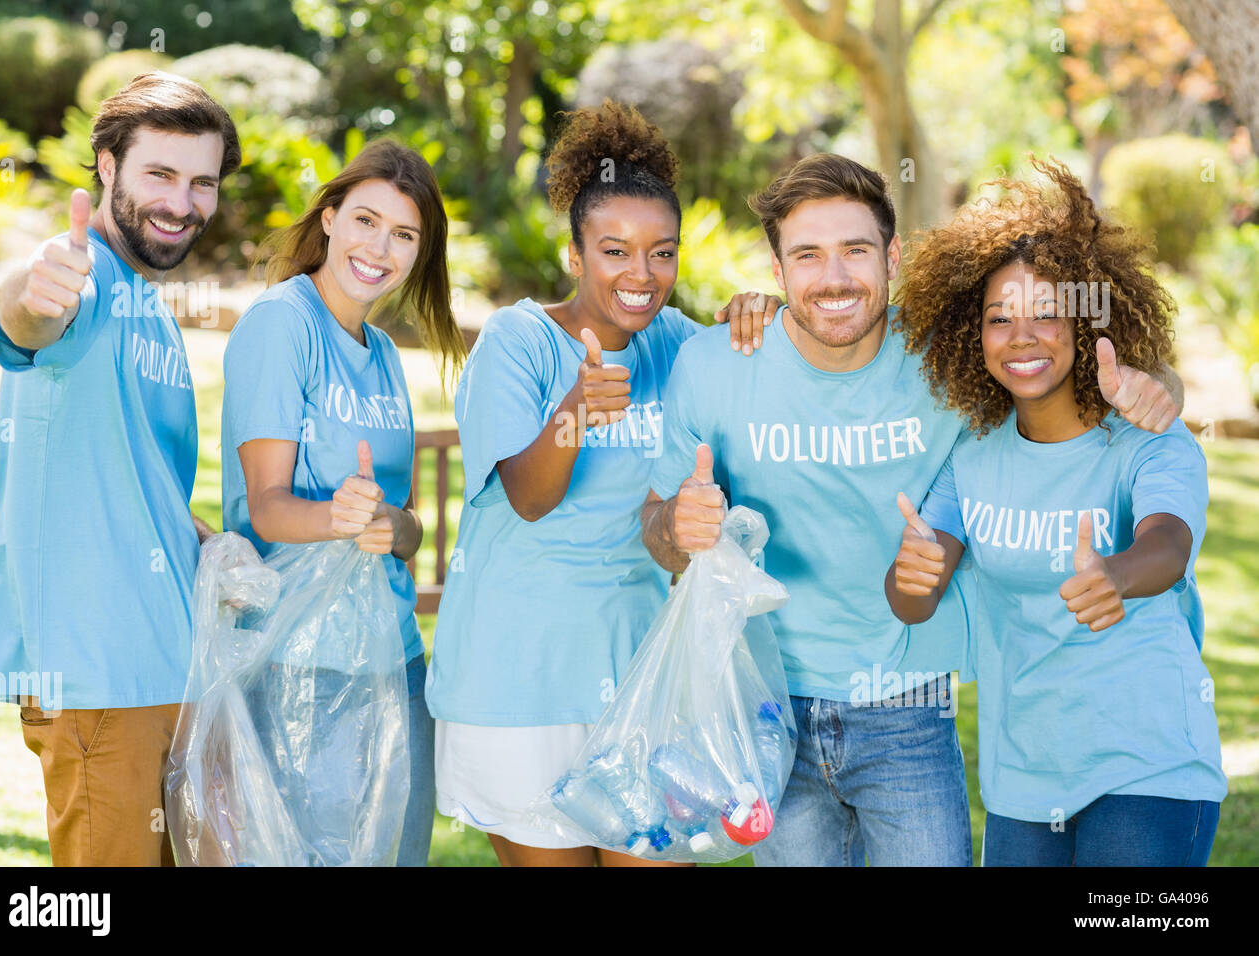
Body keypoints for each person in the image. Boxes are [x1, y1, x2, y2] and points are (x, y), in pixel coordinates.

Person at [641, 153, 1184, 867]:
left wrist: (1162, 380)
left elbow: (1059, 359)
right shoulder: (714, 366)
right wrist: (678, 530)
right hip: (769, 705)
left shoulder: (949, 356)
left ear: (892, 256)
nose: (833, 278)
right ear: (776, 272)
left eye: (855, 251)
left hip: (908, 707)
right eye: (807, 255)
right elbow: (655, 525)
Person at [425, 101, 762, 867]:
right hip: (520, 687)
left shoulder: (678, 345)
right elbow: (530, 498)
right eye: (615, 250)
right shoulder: (519, 341)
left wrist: (759, 315)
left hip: (643, 682)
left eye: (662, 253)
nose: (641, 275)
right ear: (576, 255)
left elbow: (762, 375)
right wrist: (576, 409)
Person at [886, 158, 1226, 866]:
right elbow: (916, 598)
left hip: (1148, 766)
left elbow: (1168, 545)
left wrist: (1116, 574)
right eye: (999, 317)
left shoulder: (1147, 441)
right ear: (971, 336)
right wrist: (911, 575)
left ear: (1087, 321)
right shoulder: (972, 457)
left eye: (1047, 313)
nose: (1022, 336)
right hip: (1023, 782)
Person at [0, 72, 240, 866]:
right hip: (96, 679)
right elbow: (29, 316)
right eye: (159, 174)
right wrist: (34, 295)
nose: (182, 202)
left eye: (202, 182)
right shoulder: (83, 277)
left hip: (172, 667)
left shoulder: (150, 308)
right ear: (105, 165)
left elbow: (138, 486)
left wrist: (209, 543)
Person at [219, 139, 465, 866]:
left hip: (394, 658)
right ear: (328, 219)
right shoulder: (280, 324)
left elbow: (409, 527)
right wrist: (340, 516)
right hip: (303, 664)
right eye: (364, 220)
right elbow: (267, 507)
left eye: (404, 235)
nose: (379, 248)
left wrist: (389, 524)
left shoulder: (385, 352)